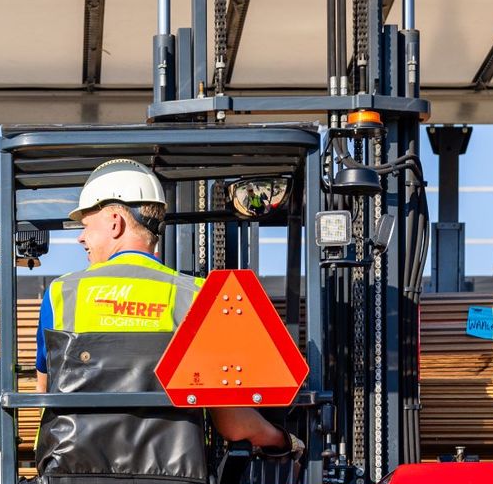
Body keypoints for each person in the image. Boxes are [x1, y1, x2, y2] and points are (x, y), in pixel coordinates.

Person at [36, 159, 300, 454]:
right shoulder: (197, 296)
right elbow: (231, 423)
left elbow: (47, 396)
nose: (80, 236)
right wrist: (280, 439)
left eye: (86, 225)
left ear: (114, 221)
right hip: (176, 483)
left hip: (70, 477)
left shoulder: (62, 294)